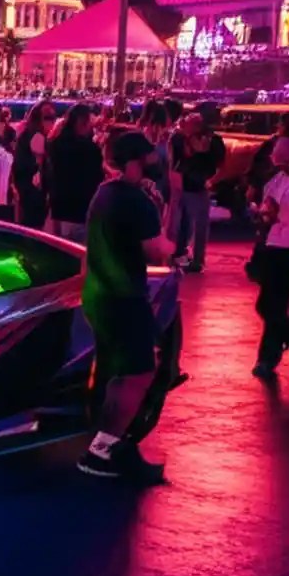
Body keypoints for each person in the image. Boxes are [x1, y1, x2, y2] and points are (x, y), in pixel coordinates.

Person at [77, 130, 177, 482]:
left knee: (111, 369)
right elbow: (156, 249)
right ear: (137, 159)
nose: (156, 160)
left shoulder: (104, 193)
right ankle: (103, 449)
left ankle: (108, 440)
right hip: (124, 296)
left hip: (99, 293)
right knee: (138, 372)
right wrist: (172, 236)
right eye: (150, 155)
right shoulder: (137, 201)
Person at [252, 137, 289, 380]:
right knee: (268, 304)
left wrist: (274, 213)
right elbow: (268, 205)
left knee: (273, 304)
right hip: (276, 245)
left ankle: (267, 358)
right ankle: (275, 348)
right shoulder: (278, 177)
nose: (272, 154)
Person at [168, 112, 225, 272]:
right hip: (183, 185)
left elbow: (220, 164)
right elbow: (174, 164)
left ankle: (196, 260)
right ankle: (180, 255)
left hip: (197, 187)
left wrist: (211, 181)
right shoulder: (179, 139)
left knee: (196, 225)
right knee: (181, 225)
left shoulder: (212, 141)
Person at [47, 104, 104, 242]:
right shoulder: (90, 149)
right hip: (80, 211)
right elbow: (96, 180)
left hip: (58, 209)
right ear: (82, 123)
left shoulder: (55, 144)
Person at [13, 100, 55, 229]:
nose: (51, 121)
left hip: (29, 191)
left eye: (53, 117)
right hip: (33, 193)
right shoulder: (36, 137)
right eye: (48, 117)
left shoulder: (28, 136)